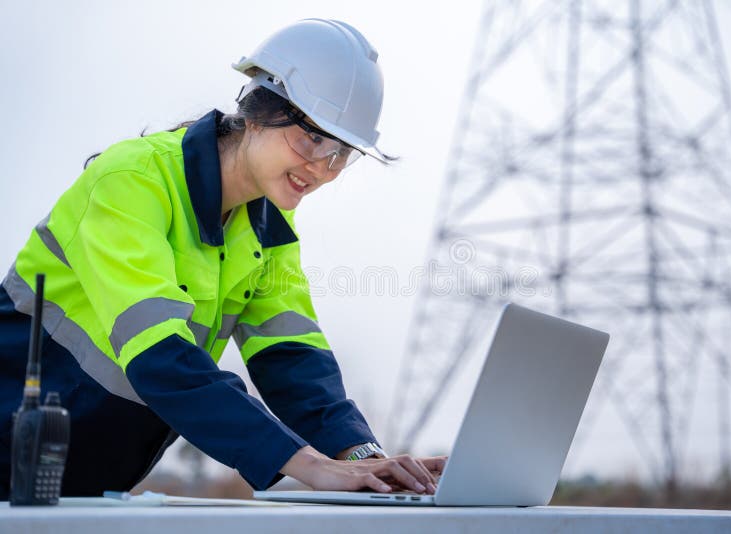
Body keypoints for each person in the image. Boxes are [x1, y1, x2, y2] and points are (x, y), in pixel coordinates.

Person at [0, 18, 444, 499]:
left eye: (341, 153)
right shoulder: (130, 181)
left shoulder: (270, 228)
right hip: (12, 454)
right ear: (257, 112)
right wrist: (305, 463)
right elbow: (160, 357)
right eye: (312, 137)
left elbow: (294, 363)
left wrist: (367, 461)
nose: (321, 167)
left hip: (85, 486)